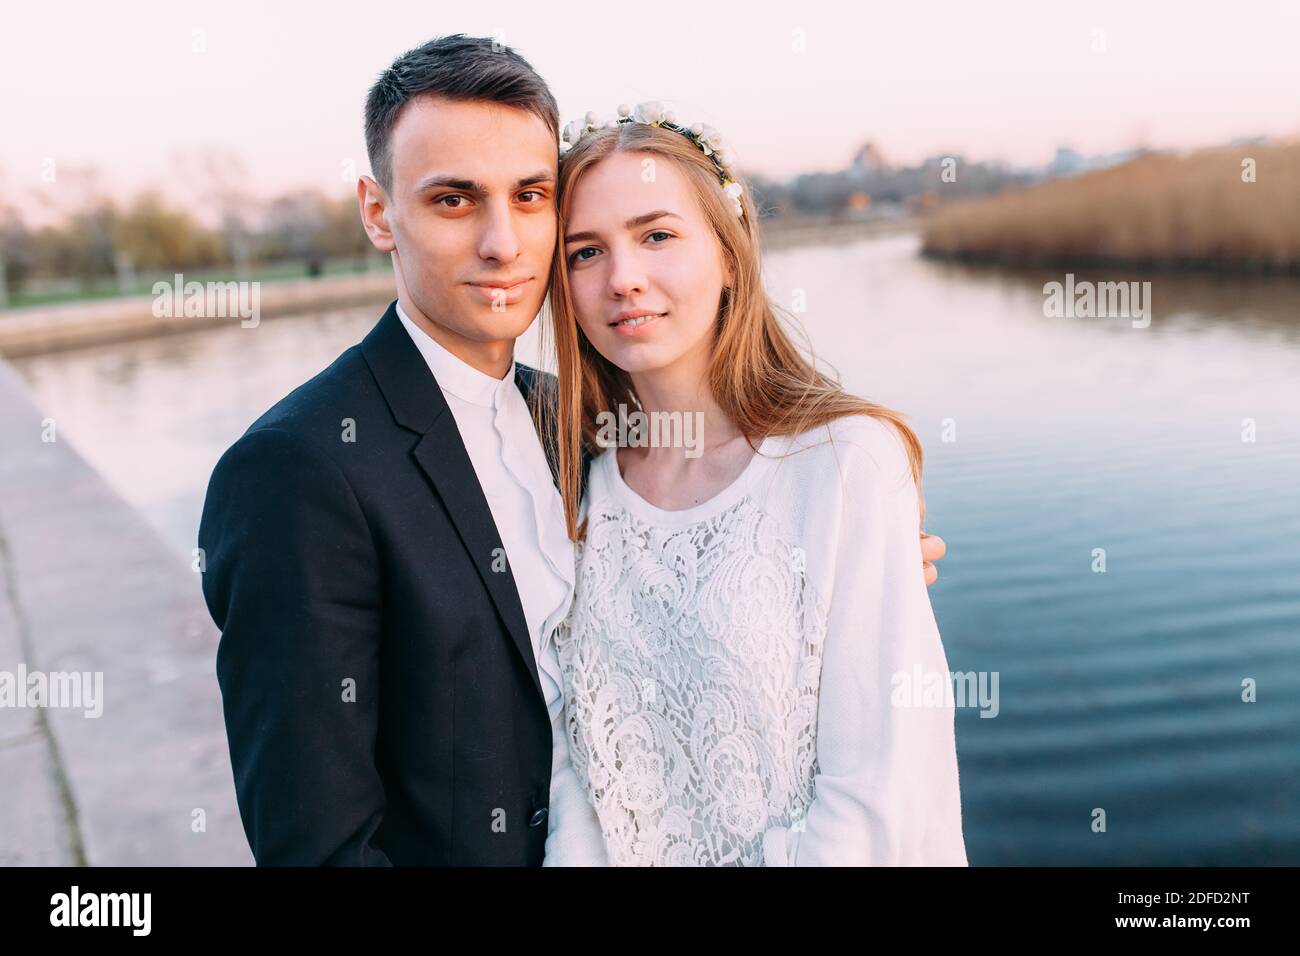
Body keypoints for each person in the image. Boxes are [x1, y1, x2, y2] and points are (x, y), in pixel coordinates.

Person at [198, 35, 947, 866]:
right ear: (380, 213)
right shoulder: (295, 470)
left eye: (529, 196)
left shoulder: (579, 432)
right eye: (453, 200)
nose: (503, 243)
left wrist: (854, 564)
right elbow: (319, 848)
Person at [541, 104, 967, 865]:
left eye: (657, 235)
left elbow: (879, 798)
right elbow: (574, 775)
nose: (623, 279)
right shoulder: (577, 490)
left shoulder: (844, 466)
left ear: (729, 255)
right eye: (583, 252)